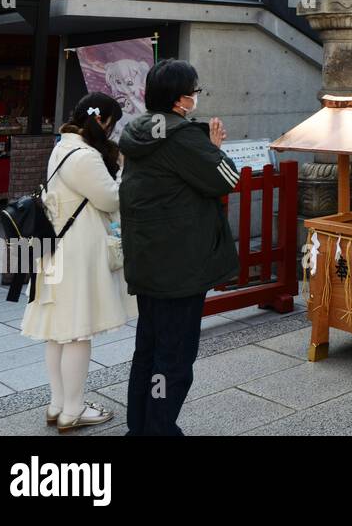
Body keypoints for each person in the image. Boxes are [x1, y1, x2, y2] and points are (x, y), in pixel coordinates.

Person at [119, 59, 239, 436]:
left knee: (149, 351)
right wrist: (215, 147)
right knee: (173, 358)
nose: (195, 98)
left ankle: (140, 427)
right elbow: (226, 178)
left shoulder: (139, 131)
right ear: (179, 99)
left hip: (148, 260)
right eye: (194, 92)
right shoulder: (181, 137)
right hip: (179, 267)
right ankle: (159, 429)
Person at [20, 93, 135, 433]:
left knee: (58, 334)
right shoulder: (83, 155)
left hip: (56, 250)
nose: (112, 129)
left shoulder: (61, 147)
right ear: (101, 121)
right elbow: (111, 199)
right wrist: (125, 173)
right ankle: (73, 409)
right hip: (76, 254)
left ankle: (58, 405)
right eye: (111, 121)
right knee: (77, 333)